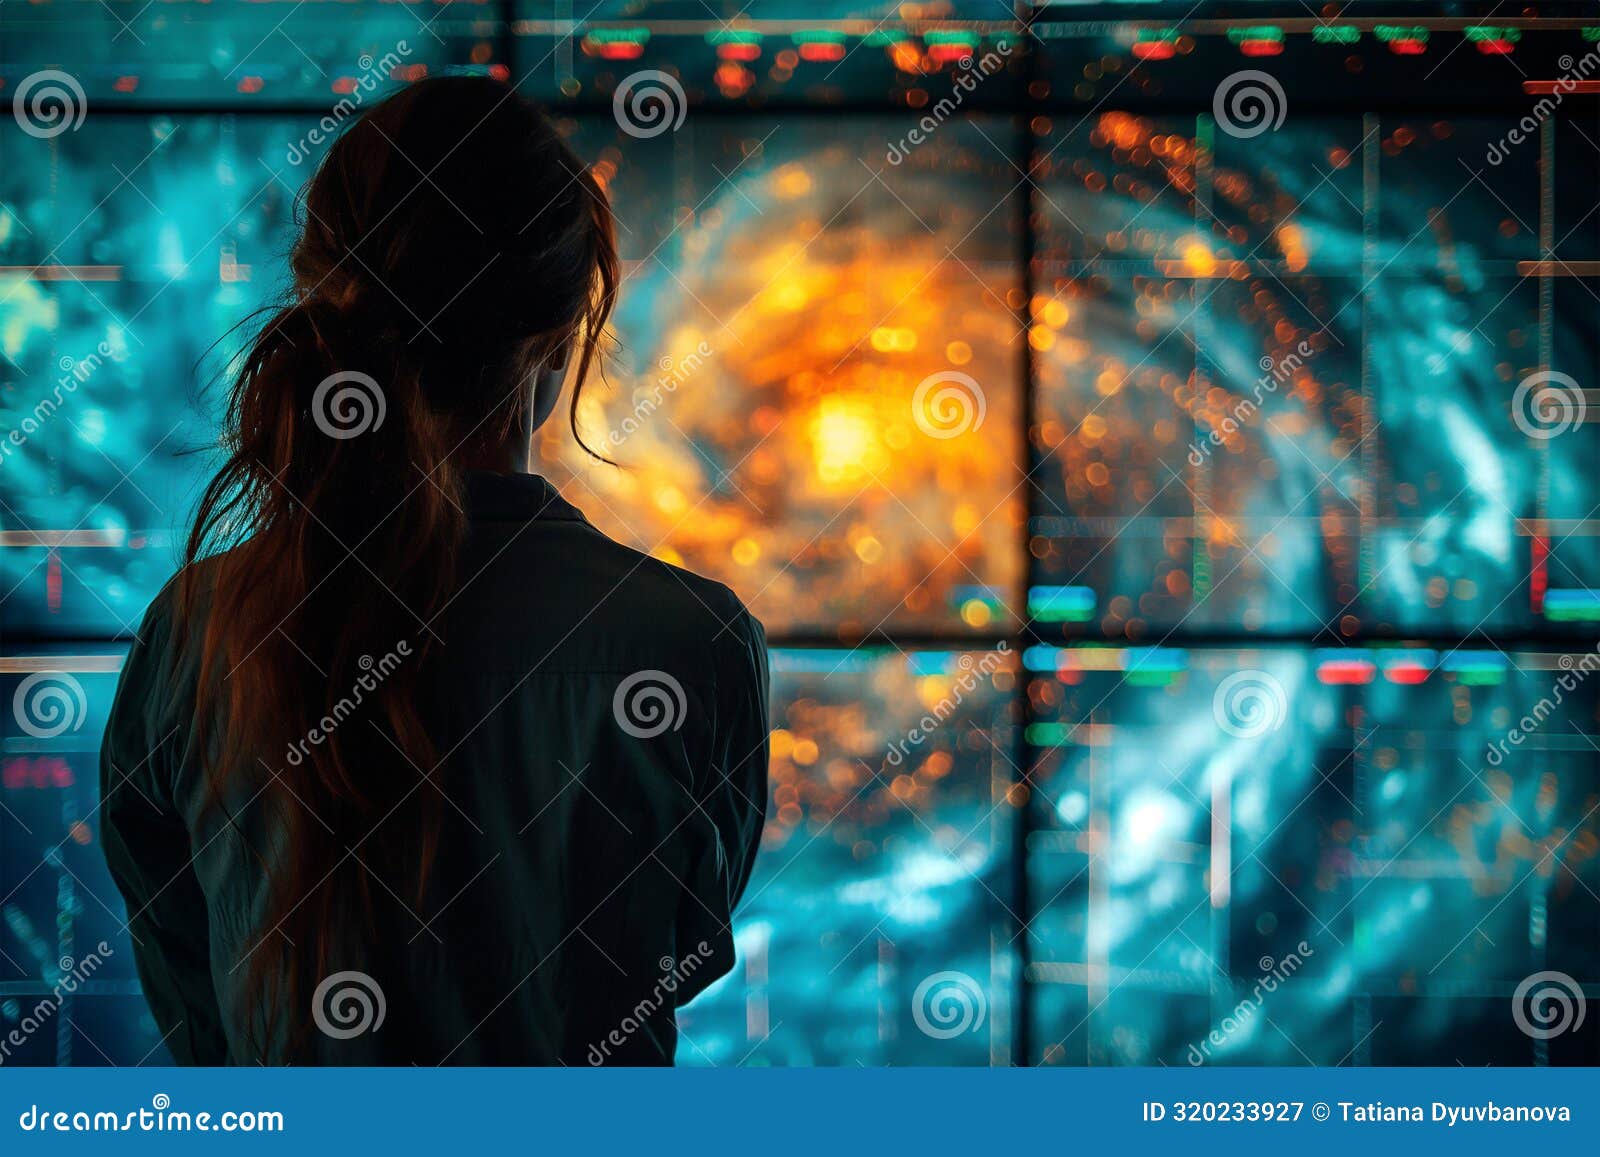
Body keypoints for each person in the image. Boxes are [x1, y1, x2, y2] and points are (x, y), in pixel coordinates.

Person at [98, 76, 769, 1065]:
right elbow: (682, 944)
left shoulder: (199, 629)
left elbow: (184, 959)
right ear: (561, 330)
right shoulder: (687, 638)